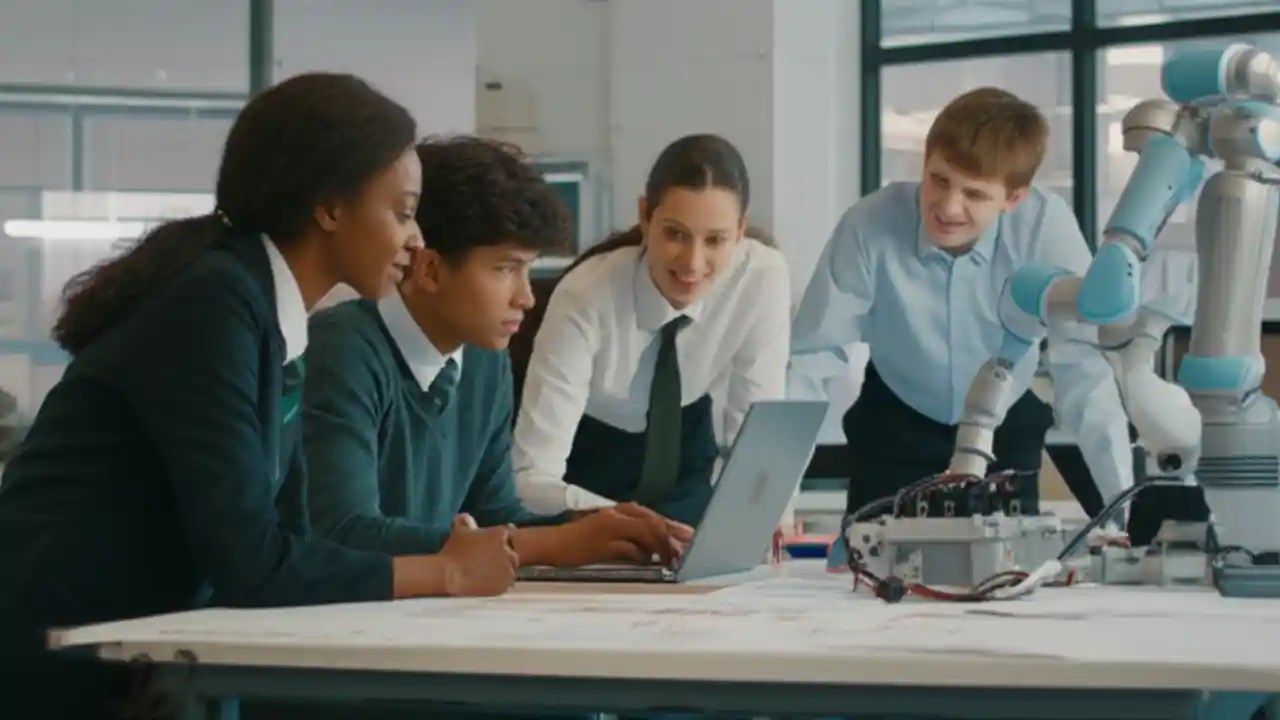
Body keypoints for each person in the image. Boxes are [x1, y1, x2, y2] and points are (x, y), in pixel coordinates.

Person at [0, 74, 518, 719]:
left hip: (144, 646)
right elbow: (253, 560)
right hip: (60, 654)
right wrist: (443, 572)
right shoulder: (213, 306)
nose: (416, 240)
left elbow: (290, 532)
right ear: (329, 207)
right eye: (404, 211)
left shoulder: (263, 311)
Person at [300, 135, 691, 569]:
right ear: (429, 268)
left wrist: (597, 529)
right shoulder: (342, 350)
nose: (525, 297)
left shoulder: (483, 360)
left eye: (528, 269)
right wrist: (550, 545)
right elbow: (345, 532)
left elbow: (496, 515)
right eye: (505, 269)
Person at [788, 87, 1132, 519]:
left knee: (1004, 575)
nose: (948, 207)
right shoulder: (869, 224)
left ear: (1013, 199)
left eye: (974, 194)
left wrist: (1128, 513)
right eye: (940, 180)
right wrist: (769, 502)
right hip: (895, 426)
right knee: (873, 573)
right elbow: (811, 360)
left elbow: (1086, 370)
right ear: (925, 163)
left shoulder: (1045, 226)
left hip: (1005, 431)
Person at [512, 133, 792, 527]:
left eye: (715, 240)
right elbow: (530, 478)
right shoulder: (585, 294)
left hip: (684, 458)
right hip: (586, 474)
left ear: (741, 230)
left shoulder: (762, 277)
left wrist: (769, 515)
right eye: (675, 234)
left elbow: (757, 431)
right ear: (645, 216)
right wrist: (633, 525)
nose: (693, 264)